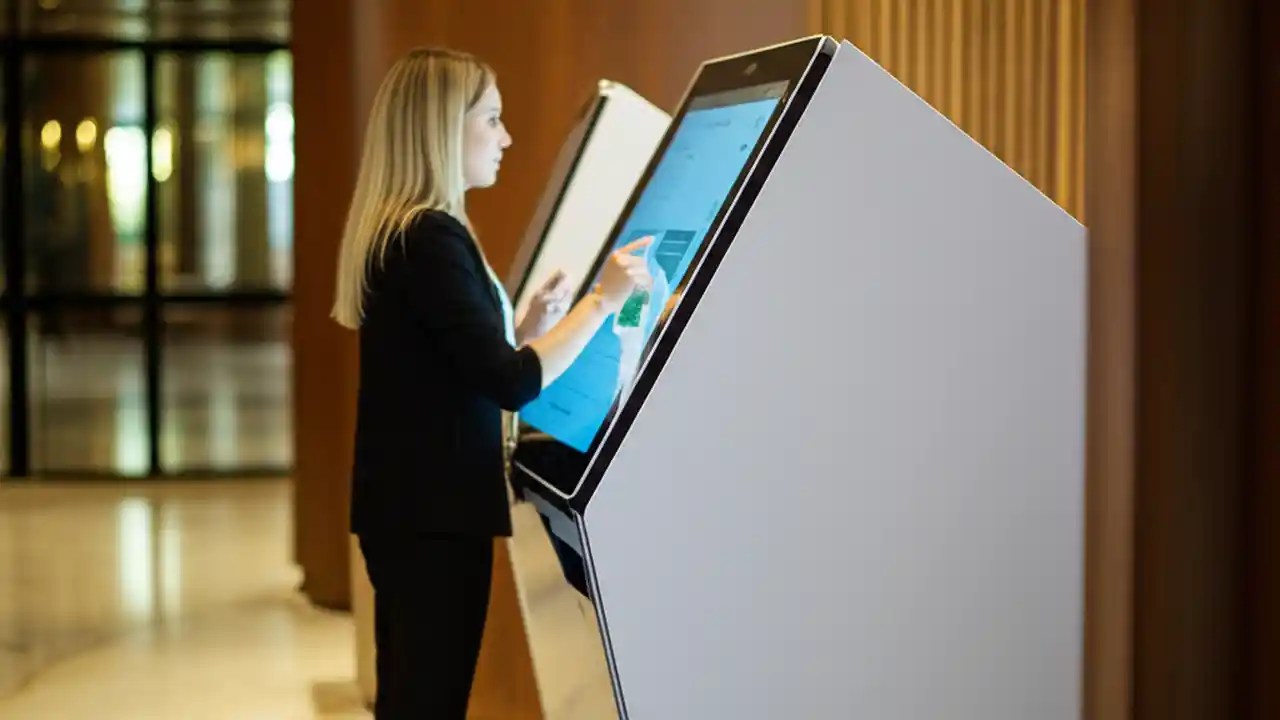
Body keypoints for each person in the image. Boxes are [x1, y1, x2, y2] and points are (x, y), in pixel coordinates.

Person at [330, 47, 652, 718]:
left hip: (413, 515)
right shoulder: (429, 237)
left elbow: (456, 363)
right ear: (445, 128)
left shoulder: (414, 232)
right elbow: (508, 381)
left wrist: (529, 323)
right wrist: (603, 299)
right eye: (493, 120)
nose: (506, 138)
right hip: (433, 521)